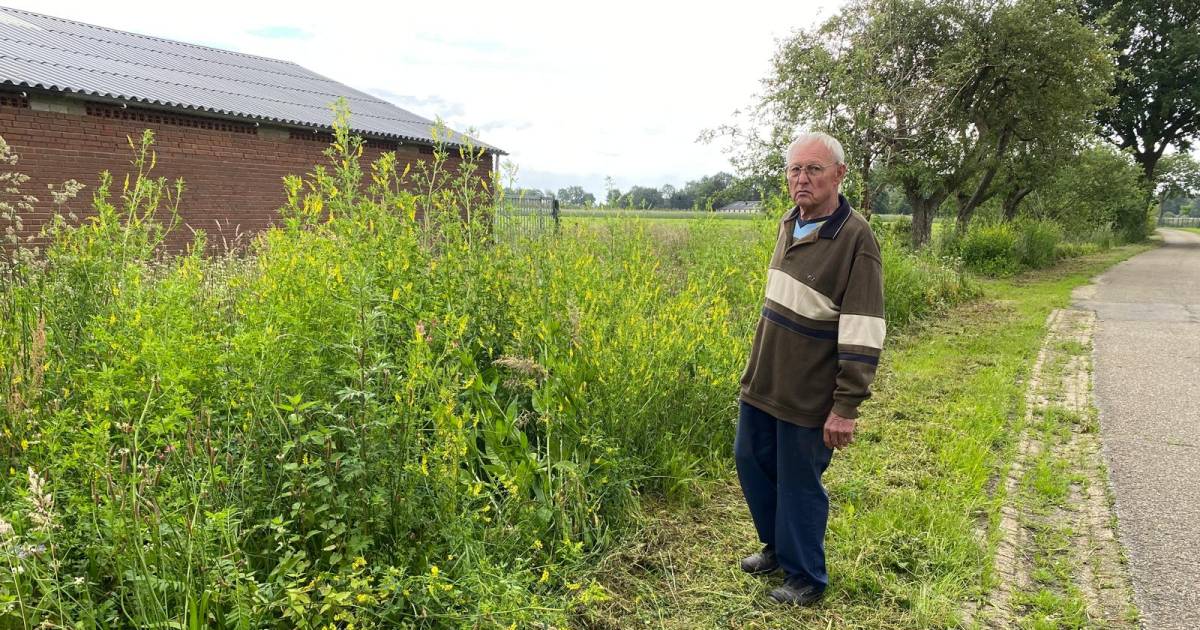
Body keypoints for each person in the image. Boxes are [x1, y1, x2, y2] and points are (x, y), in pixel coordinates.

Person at [735, 131, 886, 606]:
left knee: (800, 483)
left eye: (814, 169)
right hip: (764, 381)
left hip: (809, 392)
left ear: (840, 175)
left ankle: (806, 578)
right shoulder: (790, 222)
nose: (802, 179)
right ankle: (777, 550)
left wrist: (845, 406)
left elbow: (864, 328)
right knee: (752, 462)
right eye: (795, 169)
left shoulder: (856, 239)